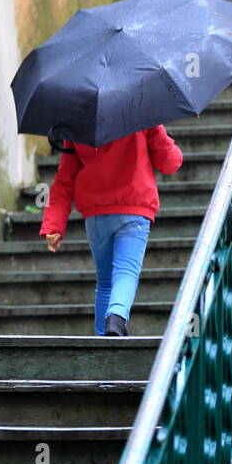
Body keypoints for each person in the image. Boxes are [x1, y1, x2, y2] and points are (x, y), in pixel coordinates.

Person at [40, 127, 184, 337]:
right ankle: (117, 317)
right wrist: (165, 138)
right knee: (126, 272)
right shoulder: (142, 113)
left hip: (95, 214)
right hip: (134, 207)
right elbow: (170, 163)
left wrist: (53, 225)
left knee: (105, 281)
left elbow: (64, 179)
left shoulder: (80, 124)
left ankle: (102, 338)